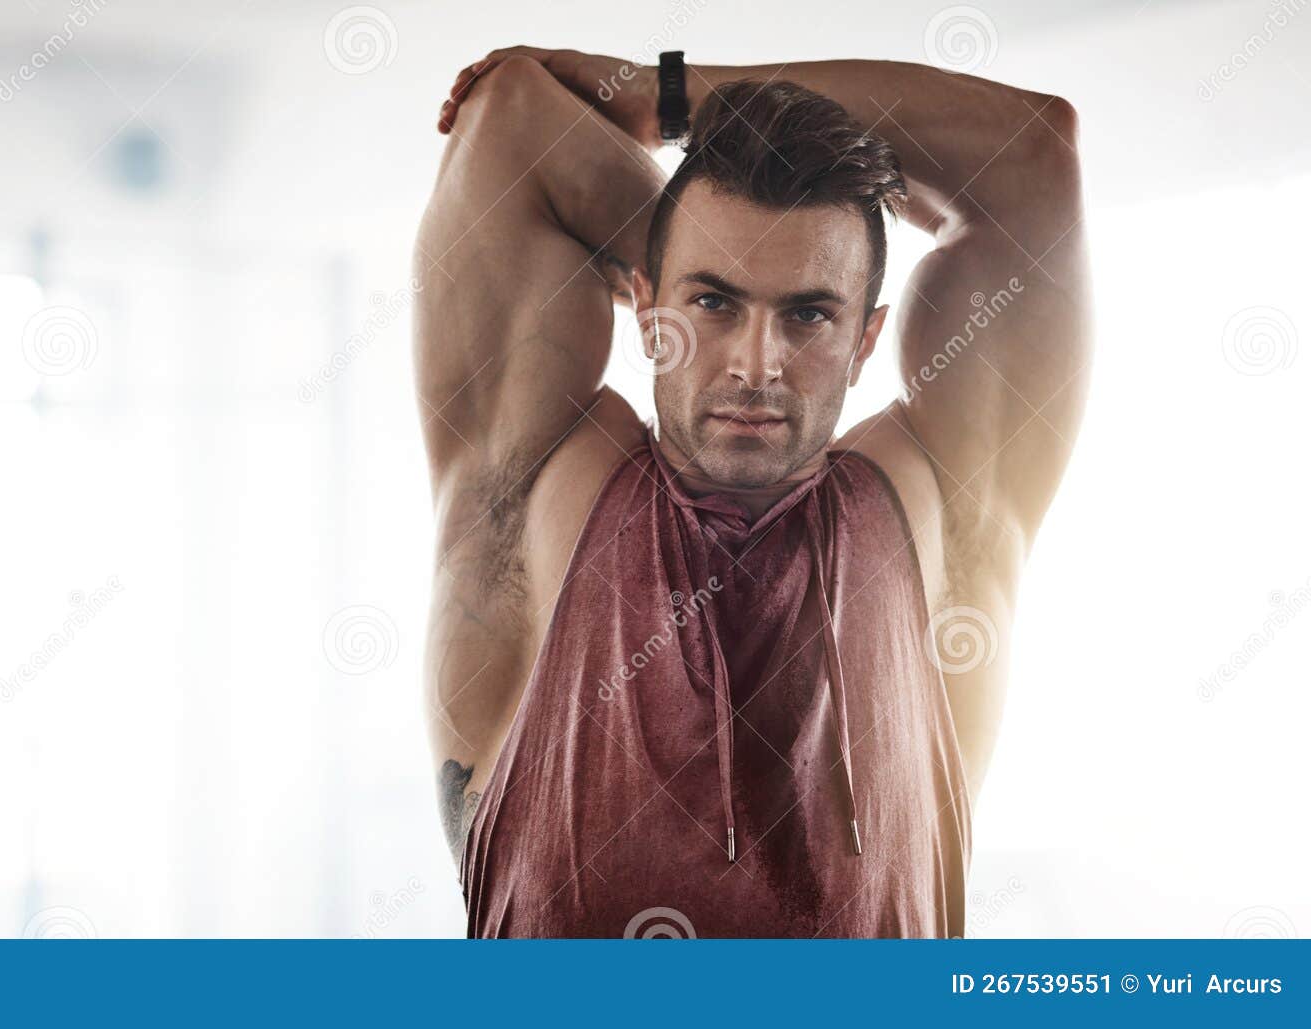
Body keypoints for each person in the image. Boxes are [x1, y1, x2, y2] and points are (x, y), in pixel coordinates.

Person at [413, 46, 1088, 937]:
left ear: (864, 338)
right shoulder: (539, 484)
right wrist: (714, 222)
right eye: (714, 304)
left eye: (810, 313)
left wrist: (676, 101)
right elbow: (511, 119)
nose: (755, 365)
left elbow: (1034, 154)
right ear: (648, 311)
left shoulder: (935, 509)